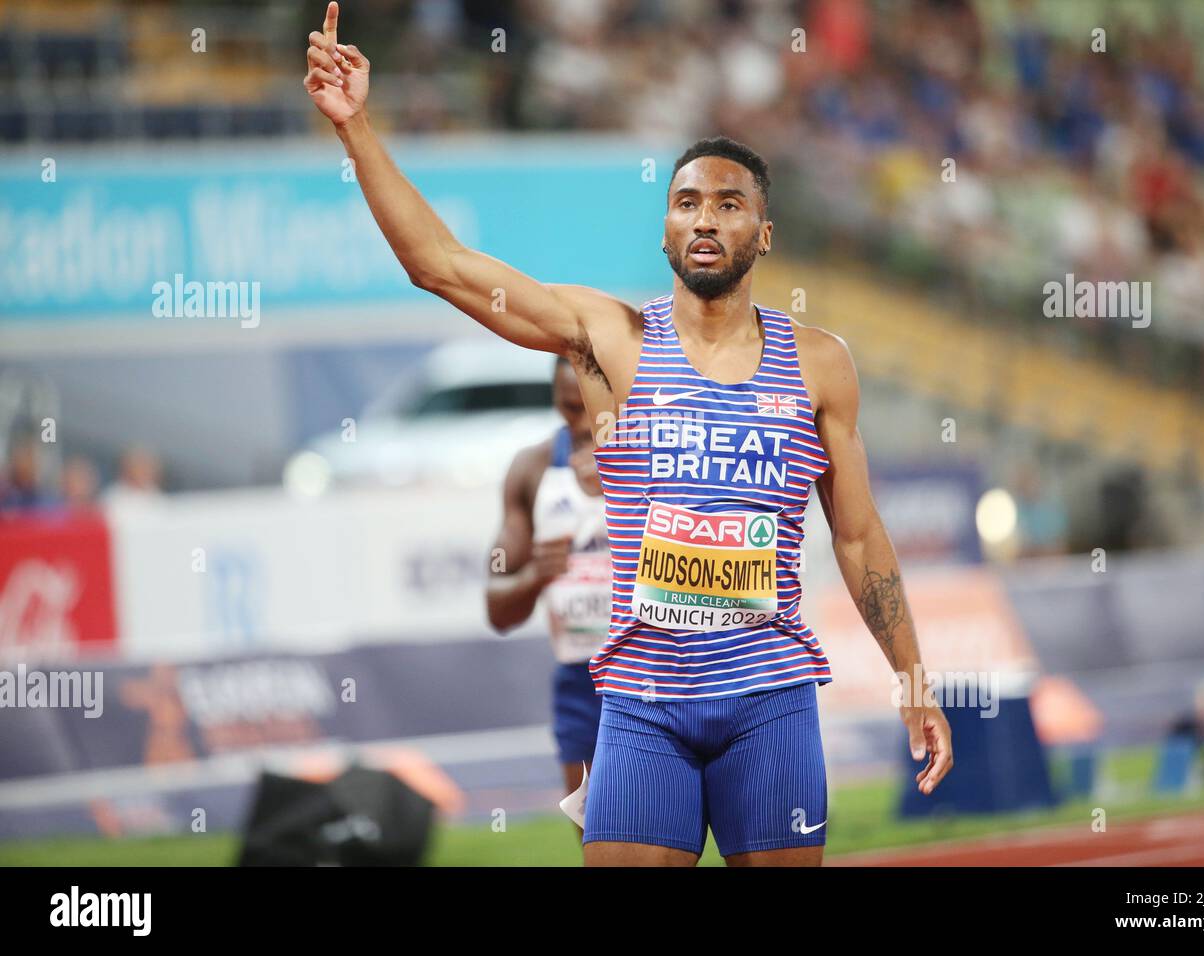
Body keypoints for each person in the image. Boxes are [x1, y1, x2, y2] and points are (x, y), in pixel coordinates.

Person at [303, 1, 952, 867]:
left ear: (765, 233)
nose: (706, 218)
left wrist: (913, 677)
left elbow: (861, 536)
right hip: (645, 704)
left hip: (771, 702)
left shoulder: (820, 365)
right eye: (688, 202)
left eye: (729, 203)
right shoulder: (612, 341)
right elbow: (442, 265)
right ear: (666, 228)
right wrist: (358, 132)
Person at [485, 355, 610, 838]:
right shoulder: (534, 468)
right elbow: (498, 608)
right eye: (565, 407)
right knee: (596, 835)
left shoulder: (653, 463)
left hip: (657, 672)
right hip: (581, 682)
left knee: (670, 835)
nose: (576, 421)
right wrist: (537, 573)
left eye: (587, 408)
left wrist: (623, 490)